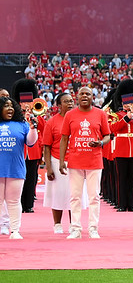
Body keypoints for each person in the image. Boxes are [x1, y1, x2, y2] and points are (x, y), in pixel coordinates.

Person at [59, 86, 111, 239]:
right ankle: (75, 228)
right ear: (77, 97)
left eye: (88, 93)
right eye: (81, 93)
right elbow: (64, 139)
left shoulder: (100, 114)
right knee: (75, 196)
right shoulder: (70, 115)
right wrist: (62, 161)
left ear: (92, 97)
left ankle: (93, 228)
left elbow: (108, 136)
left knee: (94, 196)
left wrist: (101, 143)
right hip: (75, 161)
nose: (84, 96)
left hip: (94, 161)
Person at [0, 96, 38, 239]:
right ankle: (2, 226)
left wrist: (33, 129)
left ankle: (15, 230)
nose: (9, 109)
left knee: (14, 201)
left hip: (15, 169)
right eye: (5, 106)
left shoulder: (22, 125)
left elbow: (30, 142)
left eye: (11, 106)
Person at [42, 92, 79, 233]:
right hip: (57, 160)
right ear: (58, 105)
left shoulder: (78, 119)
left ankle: (73, 223)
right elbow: (47, 146)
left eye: (71, 101)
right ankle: (57, 224)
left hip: (75, 161)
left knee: (74, 193)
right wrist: (49, 167)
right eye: (66, 101)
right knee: (57, 193)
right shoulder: (52, 122)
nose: (70, 104)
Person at [109, 79, 133, 212]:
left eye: (130, 103)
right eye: (126, 103)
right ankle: (122, 204)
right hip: (121, 149)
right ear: (122, 103)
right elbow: (113, 128)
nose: (128, 105)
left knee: (132, 179)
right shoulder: (116, 116)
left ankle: (131, 204)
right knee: (122, 178)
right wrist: (126, 118)